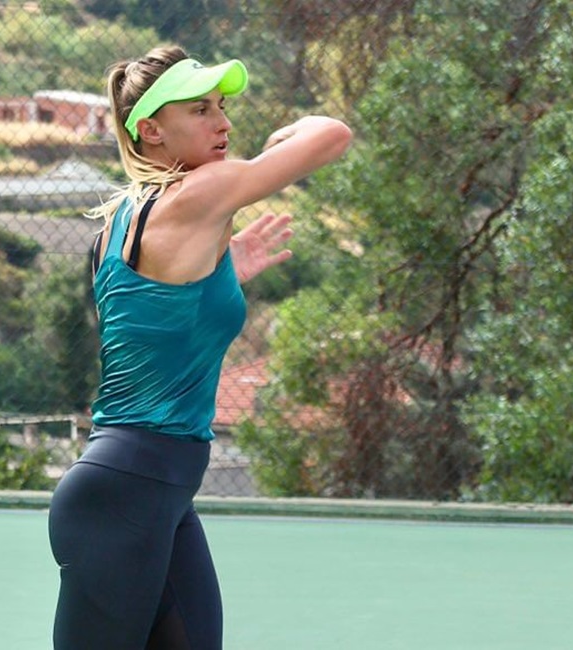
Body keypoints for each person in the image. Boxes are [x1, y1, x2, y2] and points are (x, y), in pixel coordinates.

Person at [48, 45, 352, 650]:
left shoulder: (119, 223)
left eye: (221, 106)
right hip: (126, 492)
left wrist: (222, 276)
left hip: (155, 492)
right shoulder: (202, 191)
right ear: (151, 130)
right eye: (201, 110)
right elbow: (332, 135)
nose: (223, 123)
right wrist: (287, 135)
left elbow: (151, 323)